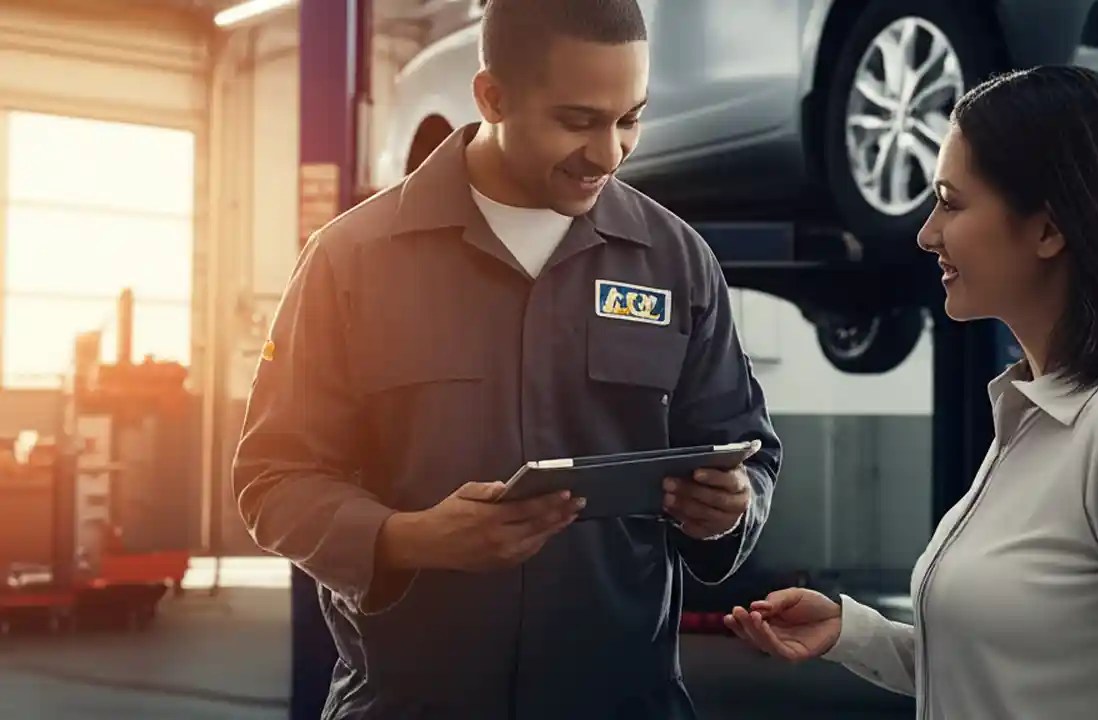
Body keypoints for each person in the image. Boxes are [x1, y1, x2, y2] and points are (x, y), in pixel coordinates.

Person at [232, 0, 782, 717]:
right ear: (491, 96)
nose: (610, 154)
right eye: (578, 121)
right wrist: (407, 538)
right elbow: (274, 478)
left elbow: (752, 455)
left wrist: (732, 509)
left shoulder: (675, 262)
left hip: (624, 704)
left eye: (630, 119)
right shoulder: (354, 260)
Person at [725, 65, 1098, 719]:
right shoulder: (1031, 414)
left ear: (1048, 228)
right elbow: (1010, 667)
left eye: (951, 201)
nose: (927, 233)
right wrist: (852, 632)